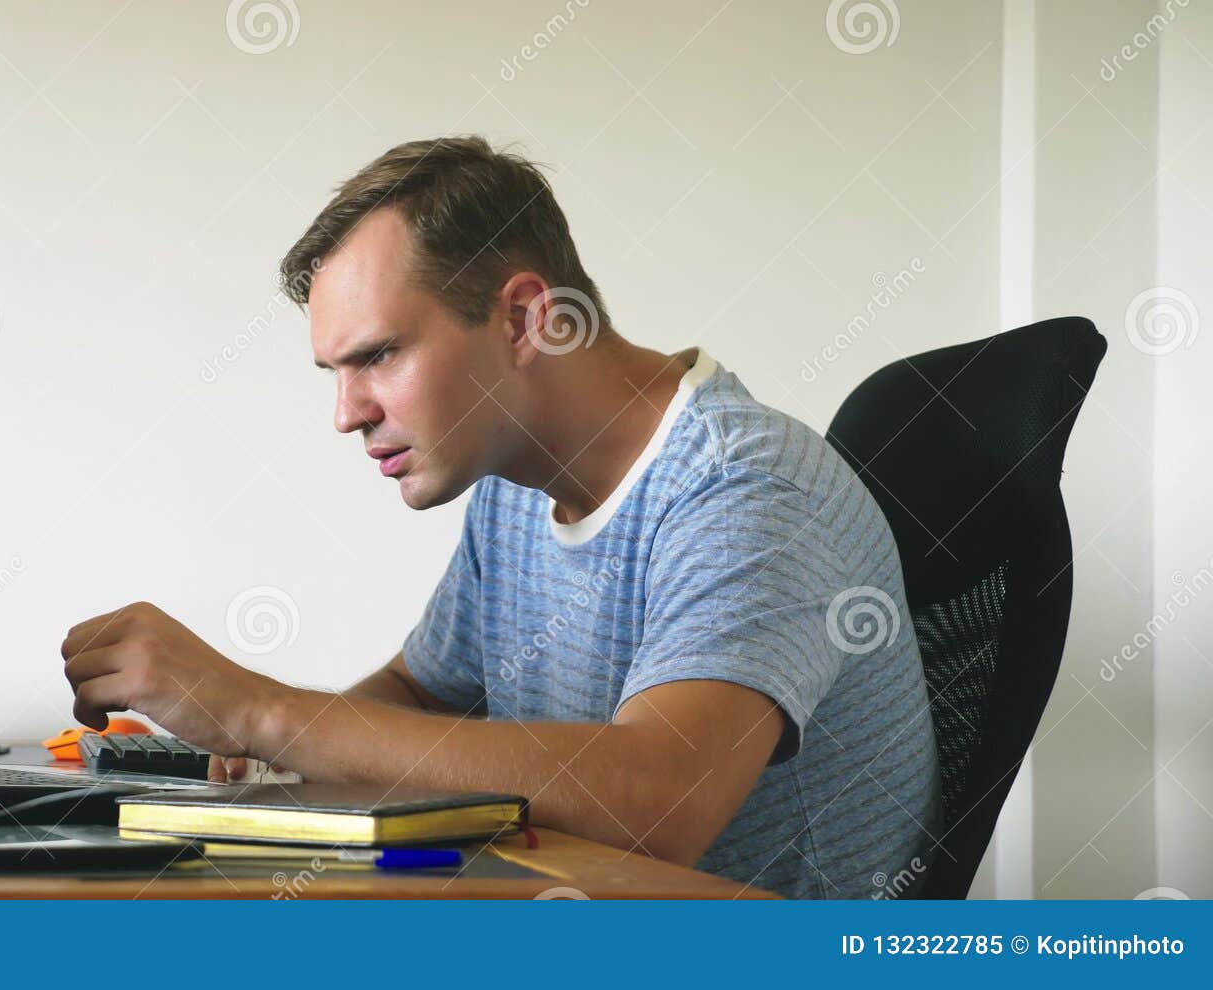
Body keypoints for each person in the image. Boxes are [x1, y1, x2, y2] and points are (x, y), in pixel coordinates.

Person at [60, 136, 942, 898]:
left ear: (525, 320)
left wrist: (263, 712)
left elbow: (658, 799)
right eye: (334, 372)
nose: (347, 411)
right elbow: (417, 693)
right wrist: (252, 761)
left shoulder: (747, 490)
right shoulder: (515, 486)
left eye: (377, 356)